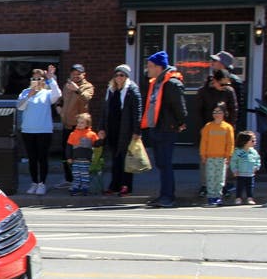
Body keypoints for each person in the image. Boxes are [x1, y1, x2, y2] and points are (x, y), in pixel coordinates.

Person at [140, 51, 187, 208]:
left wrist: (179, 123)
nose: (148, 69)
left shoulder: (172, 83)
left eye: (151, 66)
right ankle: (163, 195)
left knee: (165, 164)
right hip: (157, 128)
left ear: (159, 67)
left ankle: (168, 196)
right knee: (161, 163)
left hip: (167, 129)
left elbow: (180, 108)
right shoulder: (156, 82)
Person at [98, 64, 142, 196]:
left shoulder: (132, 90)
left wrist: (137, 131)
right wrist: (101, 128)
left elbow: (137, 112)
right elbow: (105, 111)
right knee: (115, 158)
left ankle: (126, 186)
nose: (118, 77)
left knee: (126, 159)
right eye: (116, 75)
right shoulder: (111, 89)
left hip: (126, 129)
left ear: (126, 76)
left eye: (121, 75)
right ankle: (114, 185)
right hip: (113, 128)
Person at [17, 66, 61, 195]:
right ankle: (34, 182)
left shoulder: (47, 93)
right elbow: (20, 107)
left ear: (43, 80)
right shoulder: (25, 92)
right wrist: (29, 96)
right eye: (34, 78)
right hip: (28, 130)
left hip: (44, 130)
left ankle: (42, 183)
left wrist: (51, 79)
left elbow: (57, 94)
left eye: (39, 78)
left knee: (42, 158)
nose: (36, 80)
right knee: (32, 158)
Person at [195, 68, 238, 197]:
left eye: (227, 84)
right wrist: (201, 129)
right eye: (222, 84)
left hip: (223, 129)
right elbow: (197, 111)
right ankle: (205, 185)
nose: (225, 87)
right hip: (208, 128)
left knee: (224, 157)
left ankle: (222, 185)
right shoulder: (204, 92)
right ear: (214, 81)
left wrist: (231, 127)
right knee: (205, 157)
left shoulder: (229, 91)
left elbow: (234, 109)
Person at [56, 64, 94, 189]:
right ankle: (68, 178)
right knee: (66, 154)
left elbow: (86, 99)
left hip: (80, 128)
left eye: (79, 73)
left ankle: (80, 181)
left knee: (79, 155)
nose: (76, 75)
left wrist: (76, 89)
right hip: (67, 125)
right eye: (73, 73)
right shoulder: (67, 85)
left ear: (84, 74)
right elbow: (61, 99)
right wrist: (59, 107)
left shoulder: (87, 86)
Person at [199, 103, 234, 206]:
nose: (217, 114)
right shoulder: (208, 126)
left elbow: (230, 143)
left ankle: (217, 197)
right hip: (210, 157)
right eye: (215, 112)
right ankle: (211, 196)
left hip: (222, 157)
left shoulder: (227, 127)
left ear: (224, 113)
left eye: (219, 112)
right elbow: (204, 141)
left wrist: (228, 155)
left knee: (220, 178)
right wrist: (203, 154)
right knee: (210, 177)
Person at [65, 112, 100, 196]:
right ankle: (76, 187)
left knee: (85, 175)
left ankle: (85, 188)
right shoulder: (73, 134)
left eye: (82, 122)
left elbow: (97, 145)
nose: (79, 124)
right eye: (78, 122)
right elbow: (69, 147)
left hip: (86, 159)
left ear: (87, 124)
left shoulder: (92, 134)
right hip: (75, 159)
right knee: (76, 174)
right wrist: (68, 157)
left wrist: (101, 139)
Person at [230, 131, 261, 205]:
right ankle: (238, 198)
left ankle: (250, 198)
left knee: (250, 186)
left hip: (250, 173)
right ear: (245, 141)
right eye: (252, 140)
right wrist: (234, 170)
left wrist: (257, 166)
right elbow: (233, 161)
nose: (254, 142)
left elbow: (258, 159)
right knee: (240, 186)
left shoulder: (253, 152)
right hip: (241, 173)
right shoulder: (238, 151)